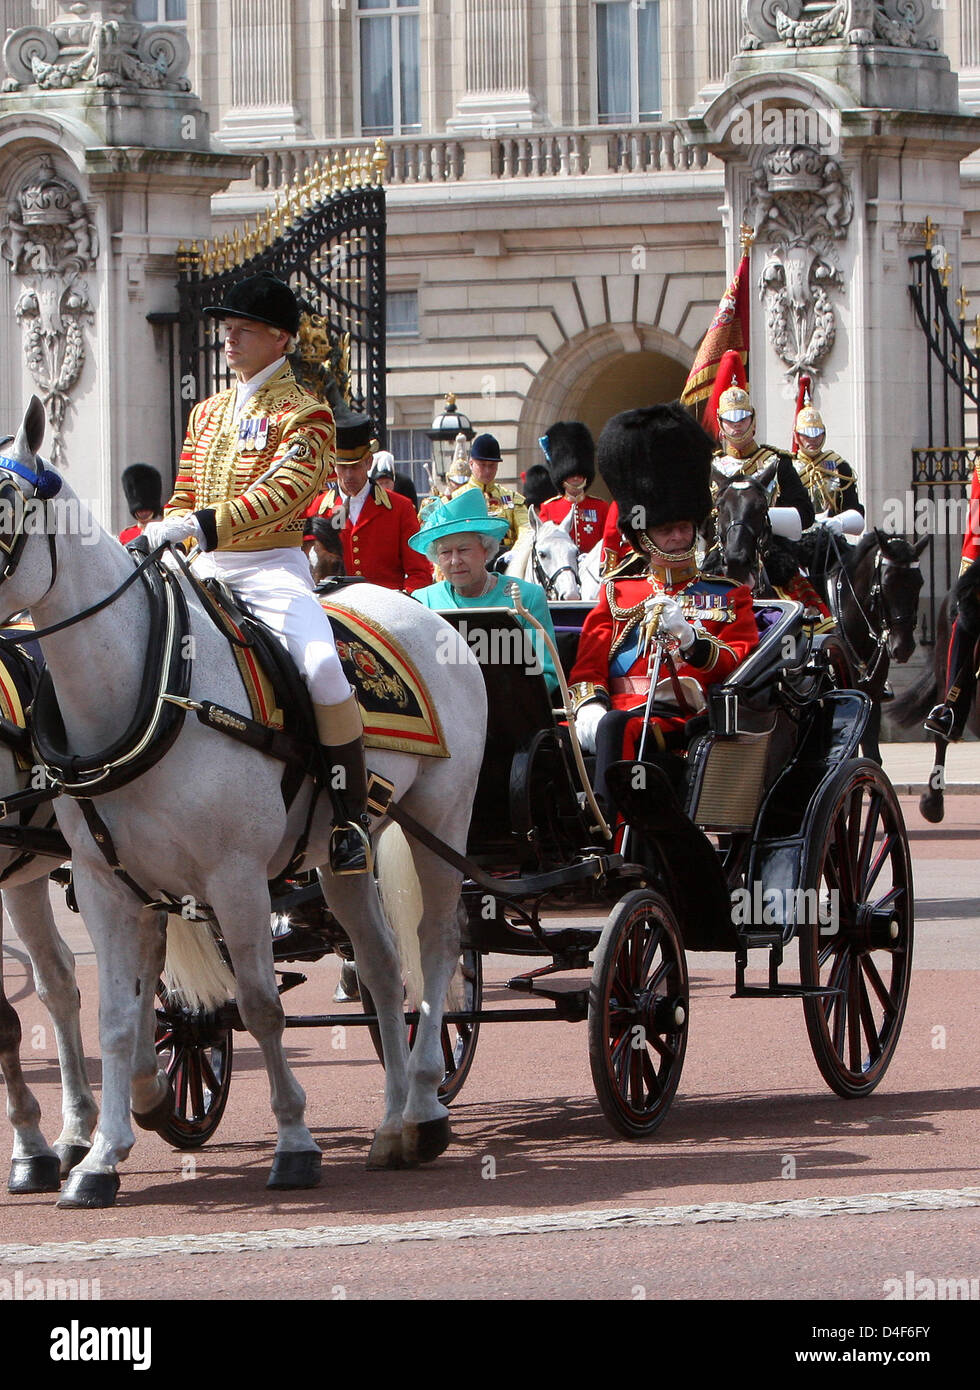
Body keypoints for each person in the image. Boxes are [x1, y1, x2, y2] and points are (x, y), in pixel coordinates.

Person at [144, 270, 370, 874]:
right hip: (200, 566)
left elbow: (285, 494)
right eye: (227, 328)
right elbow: (185, 488)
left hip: (269, 569)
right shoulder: (207, 413)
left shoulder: (308, 414)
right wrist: (168, 528)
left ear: (281, 339)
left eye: (243, 329)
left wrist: (198, 525)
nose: (229, 338)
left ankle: (349, 817)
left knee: (323, 667)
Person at [569, 403, 759, 798]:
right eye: (665, 529)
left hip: (681, 719)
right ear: (643, 537)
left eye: (682, 527)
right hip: (615, 712)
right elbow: (588, 667)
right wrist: (590, 705)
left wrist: (692, 641)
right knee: (545, 741)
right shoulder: (616, 592)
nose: (676, 537)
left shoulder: (728, 594)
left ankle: (612, 834)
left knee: (621, 730)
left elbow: (738, 663)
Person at [411, 489, 562, 699]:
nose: (455, 561)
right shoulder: (423, 601)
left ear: (486, 550)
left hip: (511, 718)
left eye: (463, 550)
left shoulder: (527, 597)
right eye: (445, 552)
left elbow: (547, 674)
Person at [309, 416, 432, 592]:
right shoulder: (317, 509)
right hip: (335, 610)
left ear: (369, 462)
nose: (349, 475)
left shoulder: (400, 508)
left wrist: (403, 602)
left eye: (356, 466)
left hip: (387, 611)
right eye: (343, 467)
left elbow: (420, 573)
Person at [536, 421, 609, 554]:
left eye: (580, 474)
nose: (576, 478)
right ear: (562, 477)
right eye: (570, 475)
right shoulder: (549, 508)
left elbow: (607, 540)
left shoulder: (601, 507)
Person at [454, 433, 528, 551]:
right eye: (482, 465)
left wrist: (516, 553)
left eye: (492, 465)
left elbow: (526, 529)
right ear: (471, 464)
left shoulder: (510, 497)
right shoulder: (456, 498)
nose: (488, 471)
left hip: (506, 560)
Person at [118, 463, 163, 544]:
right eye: (140, 510)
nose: (144, 513)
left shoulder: (162, 531)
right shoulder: (125, 535)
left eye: (147, 510)